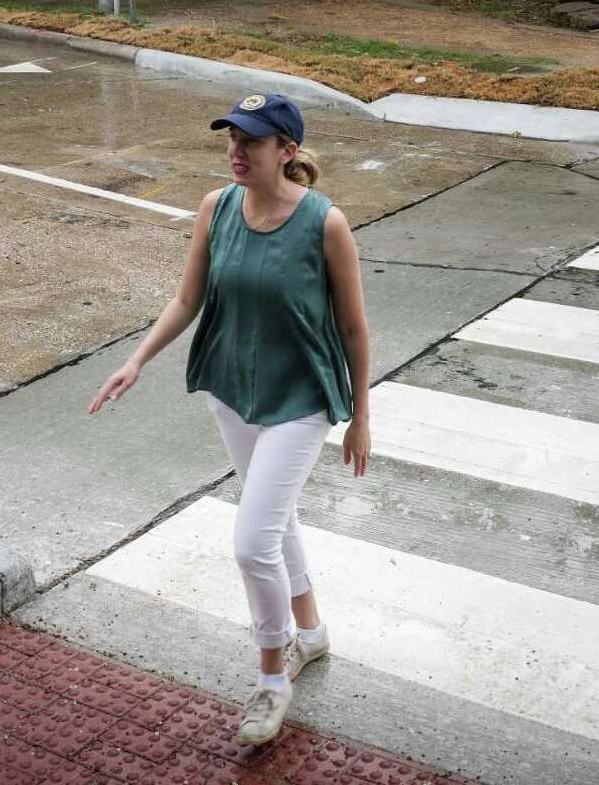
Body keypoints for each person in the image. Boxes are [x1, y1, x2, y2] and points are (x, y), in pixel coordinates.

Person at [86, 91, 372, 748]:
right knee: (275, 522)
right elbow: (187, 298)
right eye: (232, 138)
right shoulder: (216, 208)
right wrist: (136, 361)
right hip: (233, 391)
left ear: (287, 151)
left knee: (251, 544)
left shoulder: (325, 224)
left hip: (300, 399)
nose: (236, 151)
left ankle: (272, 679)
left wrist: (360, 416)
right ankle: (311, 634)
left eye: (252, 141)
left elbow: (355, 328)